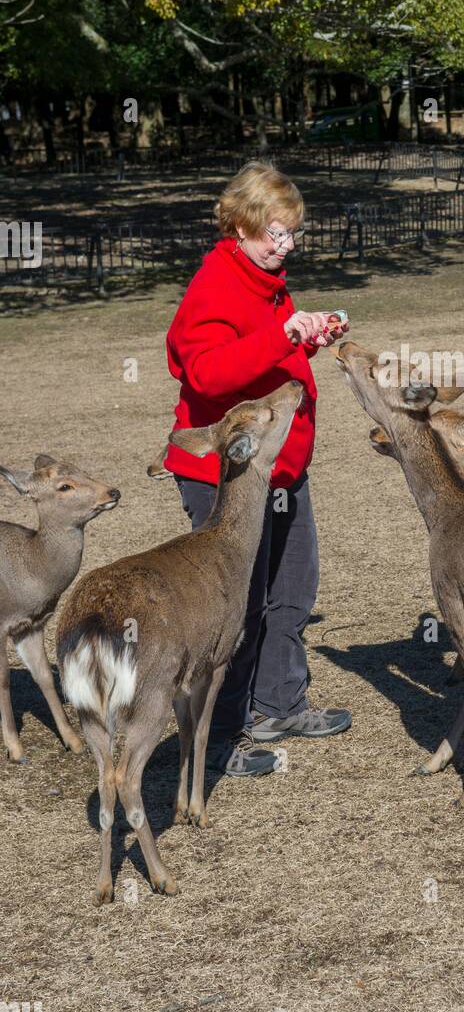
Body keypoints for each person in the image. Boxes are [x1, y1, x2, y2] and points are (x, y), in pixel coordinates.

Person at [163, 160, 352, 776]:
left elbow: (268, 355)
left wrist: (306, 335)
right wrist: (283, 338)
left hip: (281, 468)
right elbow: (206, 373)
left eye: (292, 232)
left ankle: (278, 704)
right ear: (241, 226)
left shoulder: (267, 282)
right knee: (232, 607)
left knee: (291, 591)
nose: (287, 243)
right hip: (230, 476)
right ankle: (216, 740)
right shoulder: (215, 286)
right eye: (276, 231)